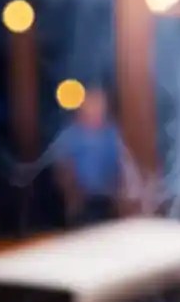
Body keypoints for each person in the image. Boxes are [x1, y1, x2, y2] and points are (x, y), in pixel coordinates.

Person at [49, 87, 135, 225]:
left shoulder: (111, 133)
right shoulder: (70, 135)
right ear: (81, 110)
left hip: (109, 198)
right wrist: (72, 195)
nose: (96, 111)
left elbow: (125, 163)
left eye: (100, 107)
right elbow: (62, 168)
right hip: (81, 200)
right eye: (92, 106)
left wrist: (124, 193)